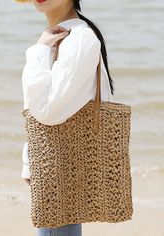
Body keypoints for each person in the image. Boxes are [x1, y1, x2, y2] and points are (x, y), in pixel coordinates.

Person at [17, 0, 115, 235]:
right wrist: (30, 161)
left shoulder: (78, 38)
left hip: (60, 172)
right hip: (61, 168)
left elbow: (47, 110)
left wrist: (38, 50)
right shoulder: (69, 35)